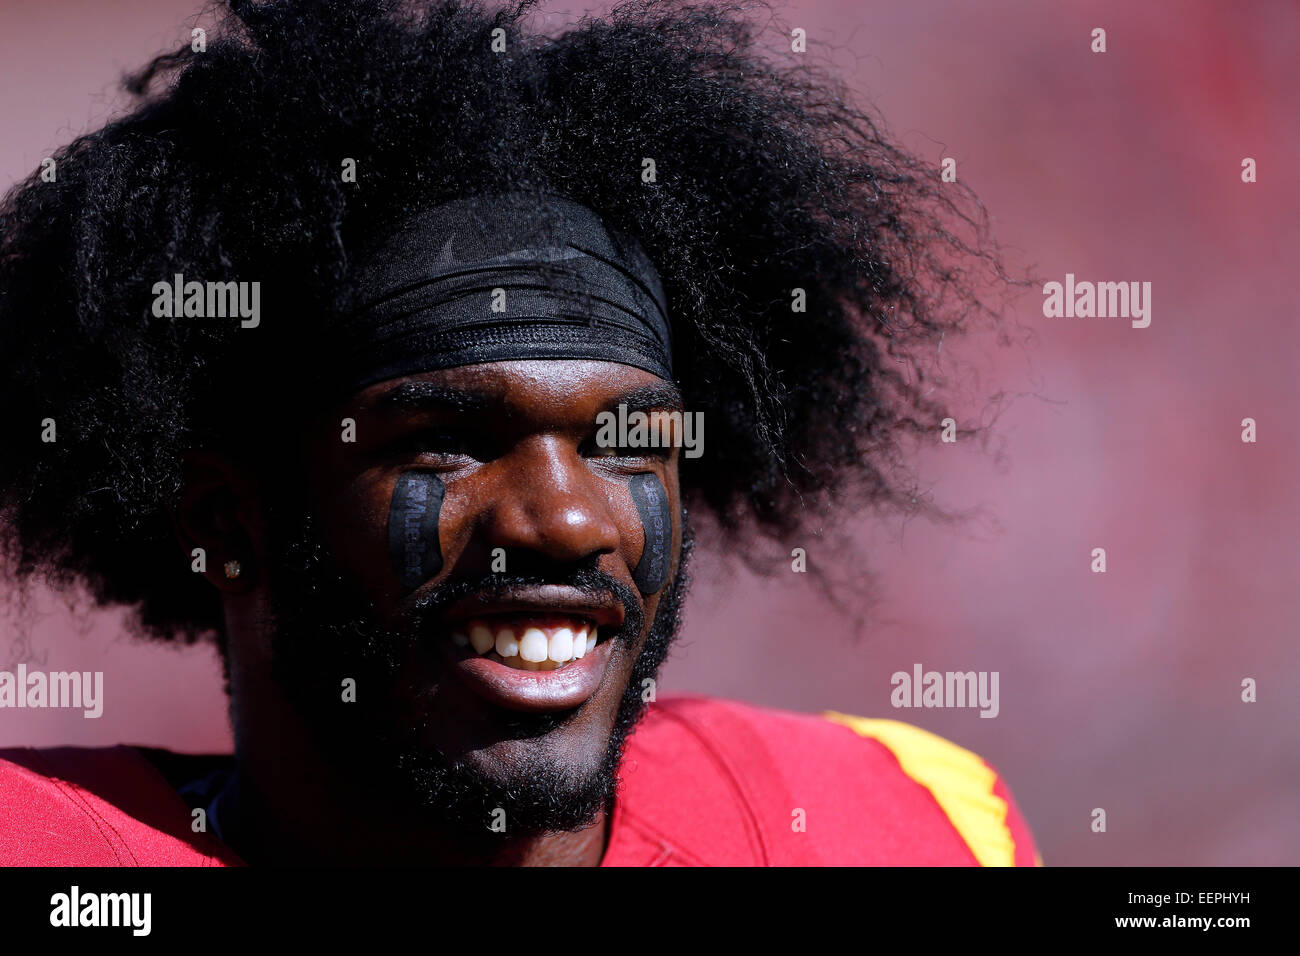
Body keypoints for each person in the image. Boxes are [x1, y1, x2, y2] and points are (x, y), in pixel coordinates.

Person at [0, 0, 1038, 866]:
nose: (568, 518)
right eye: (446, 439)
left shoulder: (901, 822)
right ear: (227, 521)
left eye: (629, 436)